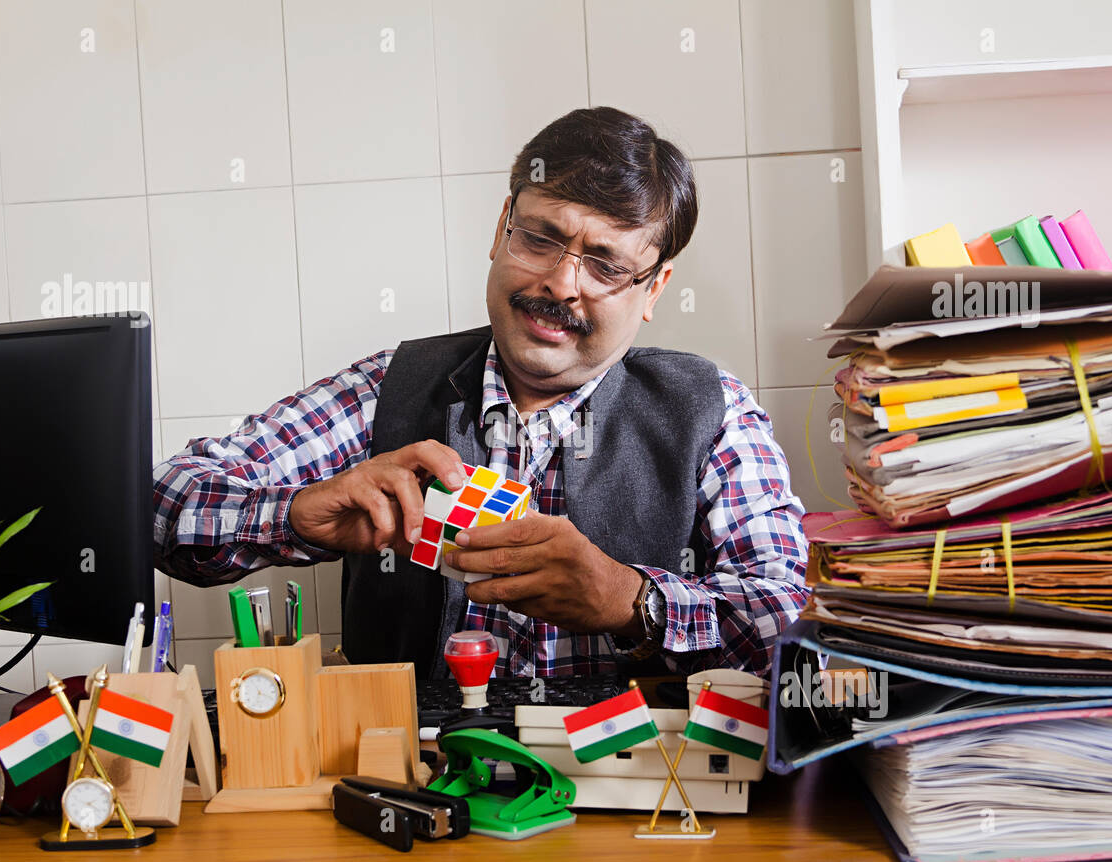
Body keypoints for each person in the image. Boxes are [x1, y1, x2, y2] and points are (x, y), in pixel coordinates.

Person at [153, 106, 808, 680]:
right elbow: (156, 504)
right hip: (413, 787)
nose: (560, 283)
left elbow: (789, 622)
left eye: (605, 265)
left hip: (636, 795)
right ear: (502, 230)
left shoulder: (712, 413)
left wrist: (630, 601)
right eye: (541, 238)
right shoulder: (389, 389)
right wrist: (293, 513)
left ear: (654, 290)